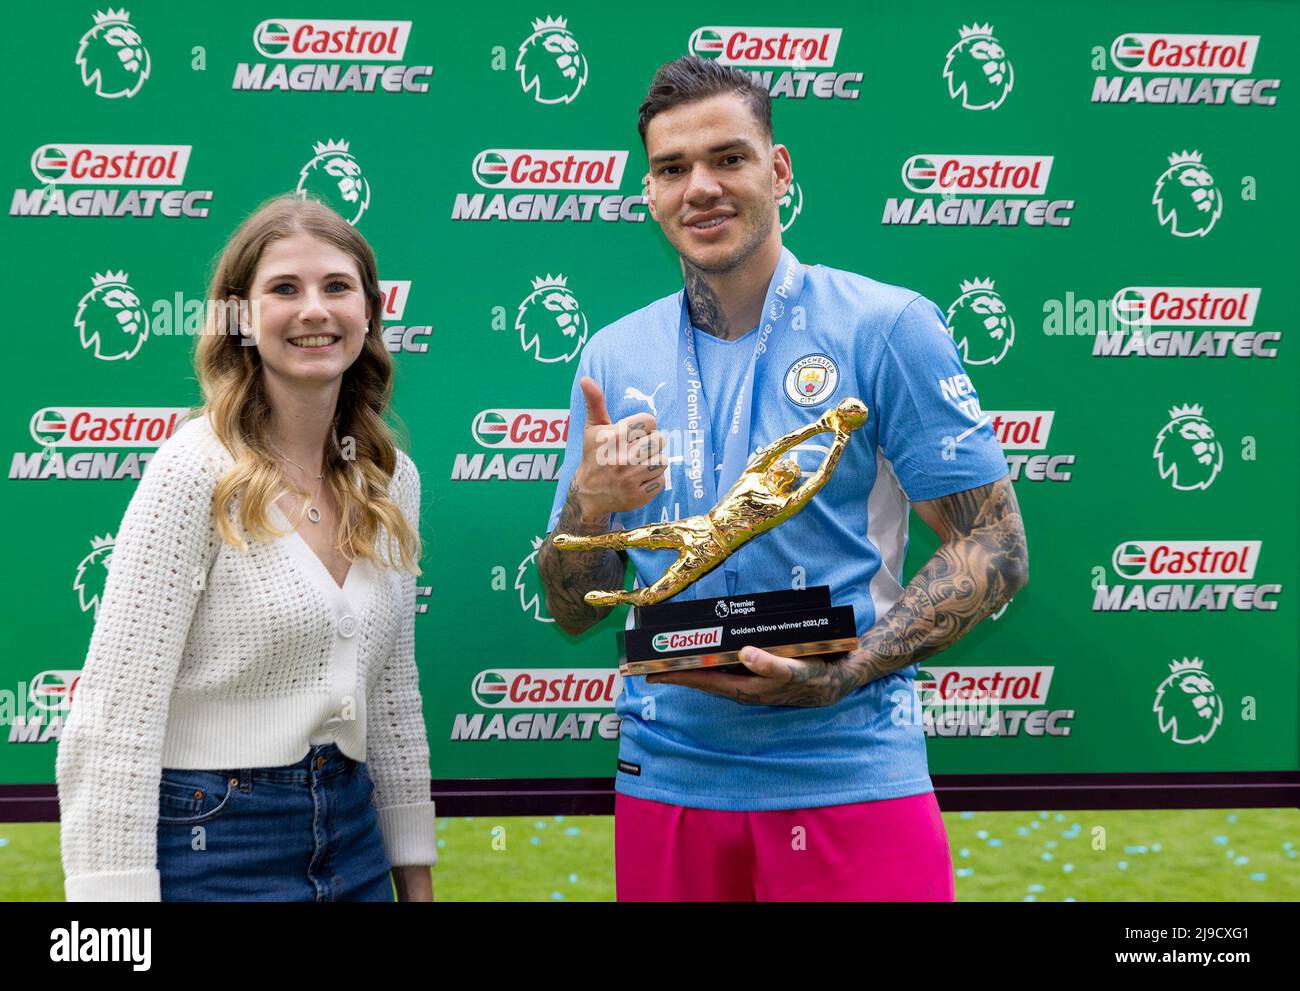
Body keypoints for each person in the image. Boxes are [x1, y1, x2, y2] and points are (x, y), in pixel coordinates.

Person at [539, 56, 1029, 902]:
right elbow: (572, 610)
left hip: (851, 771)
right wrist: (590, 509)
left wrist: (843, 672)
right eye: (672, 168)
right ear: (649, 192)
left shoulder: (887, 327)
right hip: (670, 780)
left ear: (779, 168)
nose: (701, 187)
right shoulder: (613, 356)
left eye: (728, 158)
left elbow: (996, 546)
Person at [56, 194, 436, 902]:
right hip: (211, 841)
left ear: (369, 312)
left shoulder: (389, 479)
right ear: (240, 316)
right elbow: (117, 708)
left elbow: (391, 696)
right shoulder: (193, 471)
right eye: (284, 289)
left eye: (336, 287)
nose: (314, 310)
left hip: (355, 838)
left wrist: (413, 869)